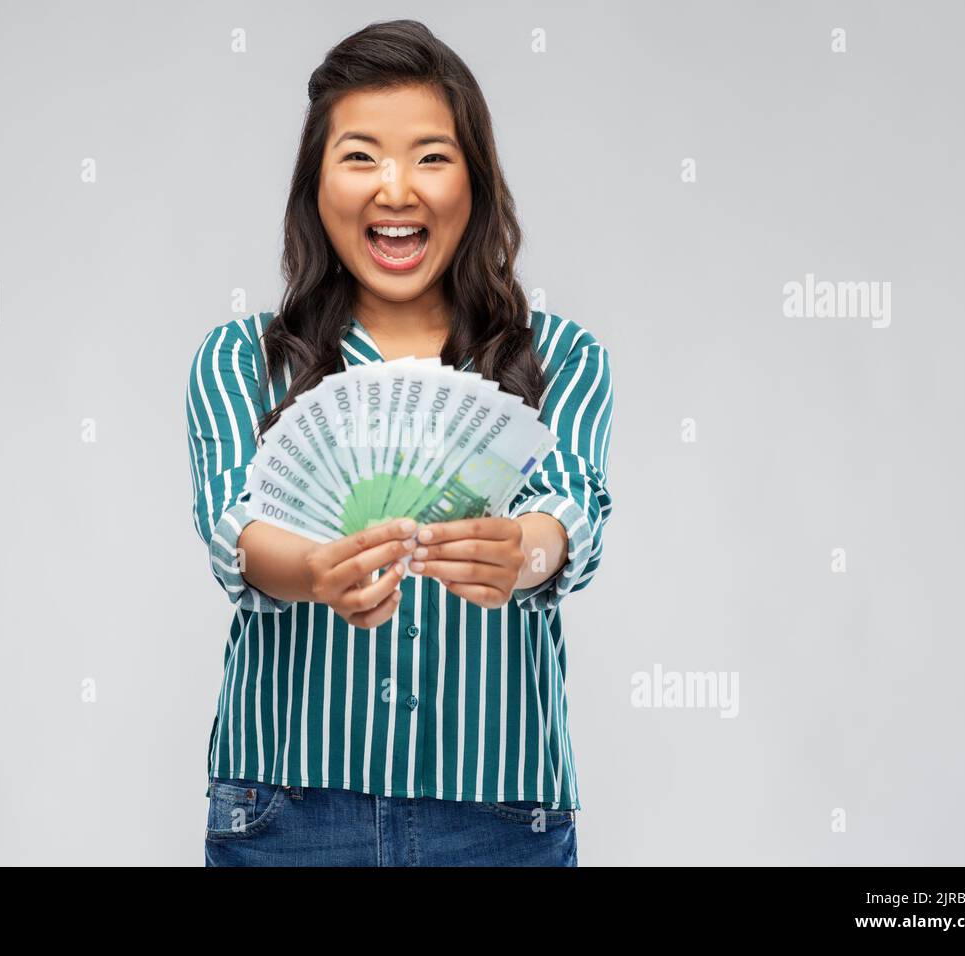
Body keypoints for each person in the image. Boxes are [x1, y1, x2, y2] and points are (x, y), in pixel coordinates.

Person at [185, 19, 613, 866]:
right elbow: (234, 529)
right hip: (286, 805)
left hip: (499, 812)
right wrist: (311, 572)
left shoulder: (558, 357)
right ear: (315, 186)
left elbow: (571, 513)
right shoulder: (242, 361)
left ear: (475, 183)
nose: (395, 188)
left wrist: (522, 554)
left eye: (430, 155)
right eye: (359, 156)